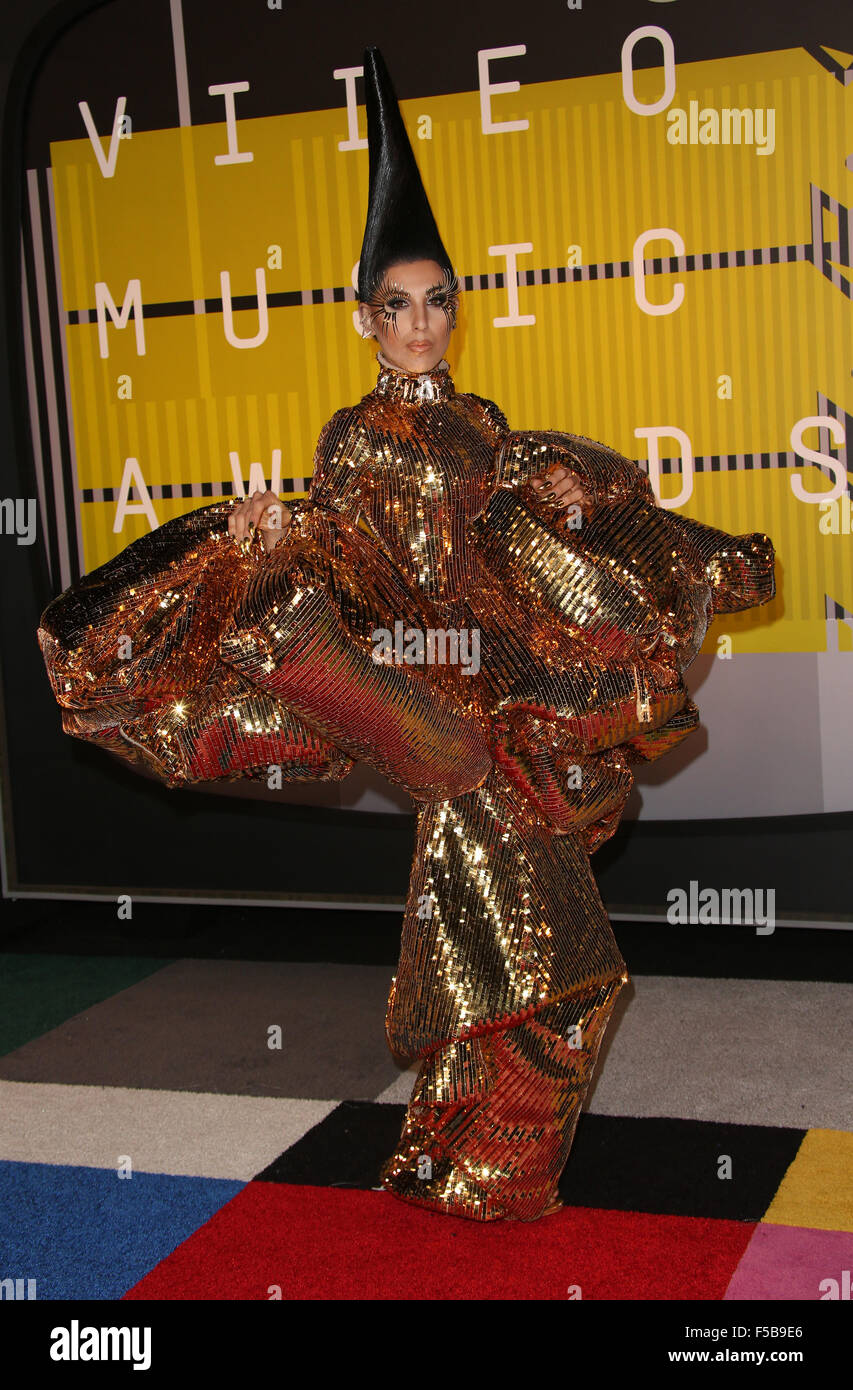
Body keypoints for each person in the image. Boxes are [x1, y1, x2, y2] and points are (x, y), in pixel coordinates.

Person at [37, 46, 776, 1222]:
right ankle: (490, 1175)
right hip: (440, 712)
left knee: (486, 941)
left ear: (454, 311)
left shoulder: (486, 427)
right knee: (567, 970)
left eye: (436, 301)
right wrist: (272, 539)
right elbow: (355, 559)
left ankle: (451, 1163)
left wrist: (604, 531)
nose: (419, 323)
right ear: (361, 317)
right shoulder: (354, 440)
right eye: (398, 305)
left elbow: (514, 554)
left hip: (506, 708)